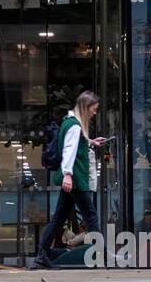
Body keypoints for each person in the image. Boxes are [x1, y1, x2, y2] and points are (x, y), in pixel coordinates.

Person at [34, 91, 106, 269]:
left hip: (71, 180)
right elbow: (69, 150)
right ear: (85, 107)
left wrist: (90, 141)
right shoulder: (74, 126)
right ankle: (101, 255)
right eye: (94, 109)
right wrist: (67, 174)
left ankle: (41, 256)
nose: (94, 113)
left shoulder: (69, 122)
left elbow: (75, 144)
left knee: (58, 218)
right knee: (91, 217)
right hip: (76, 179)